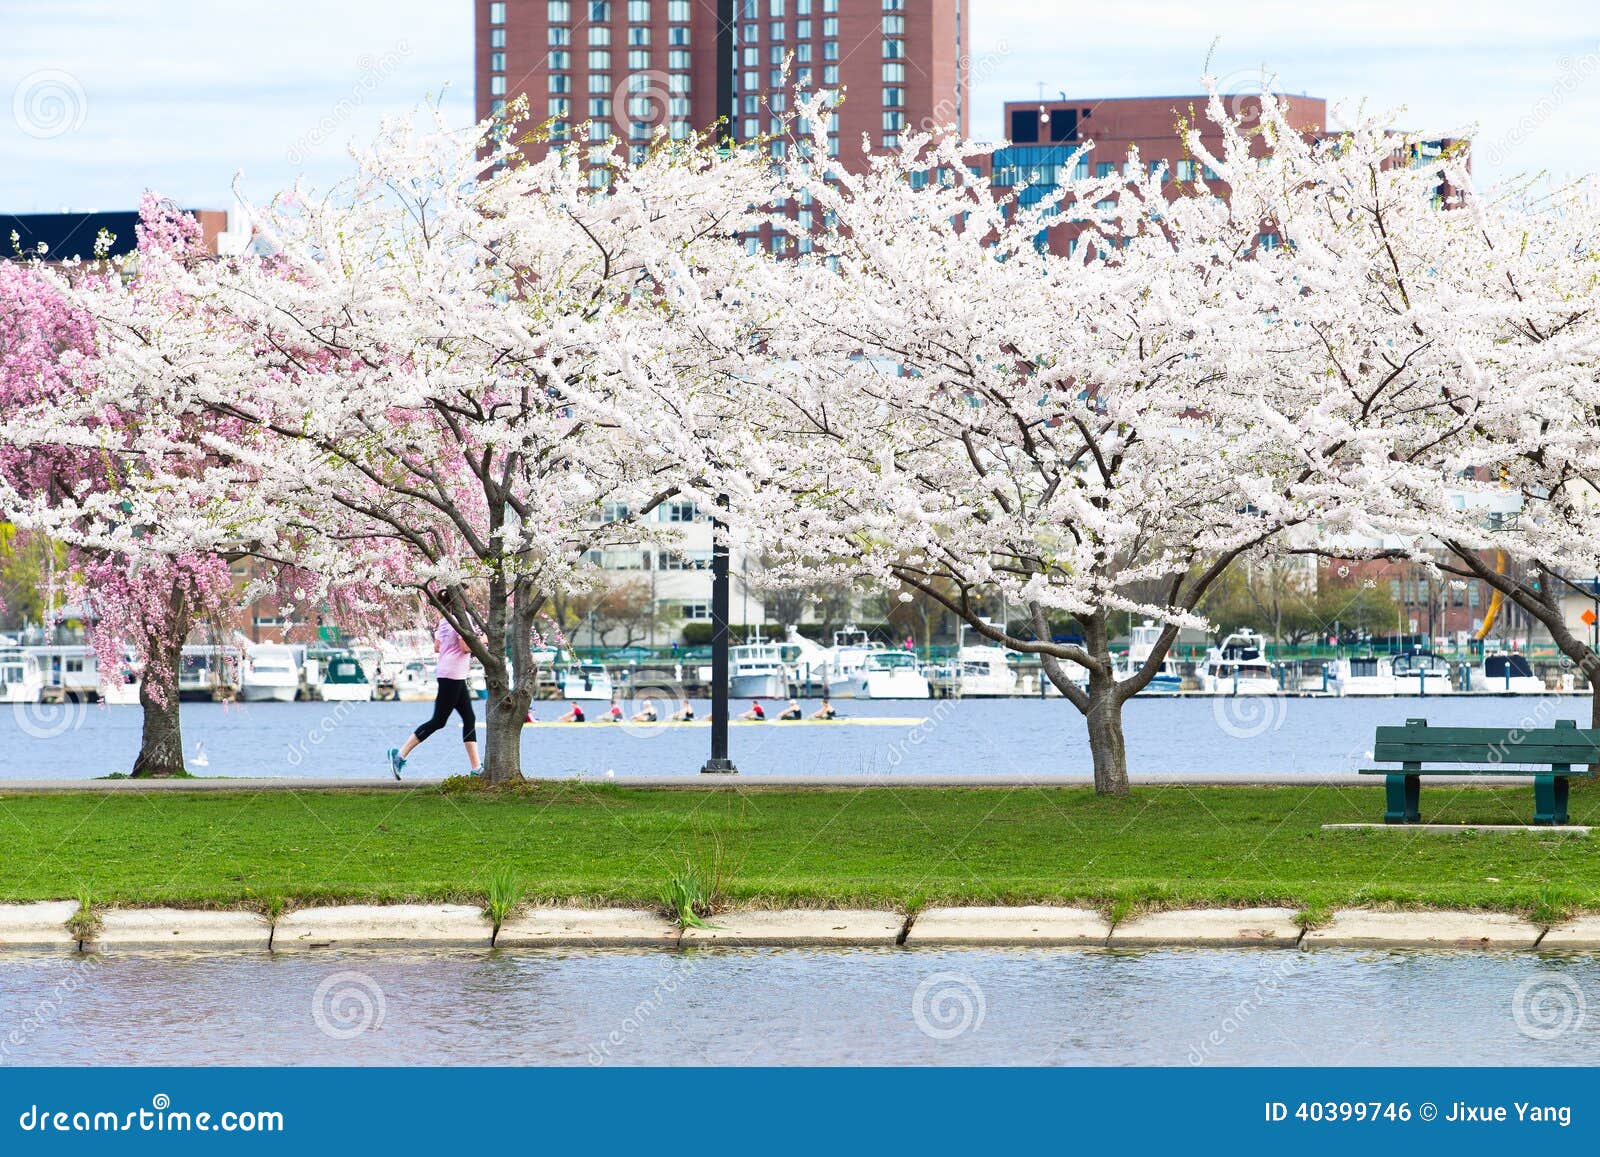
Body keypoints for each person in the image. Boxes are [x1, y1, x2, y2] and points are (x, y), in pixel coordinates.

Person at [389, 614, 479, 779]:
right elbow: (465, 647)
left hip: (449, 672)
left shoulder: (445, 620)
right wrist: (484, 640)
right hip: (453, 674)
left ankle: (476, 768)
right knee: (439, 721)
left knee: (469, 718)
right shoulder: (462, 617)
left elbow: (437, 646)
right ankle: (400, 755)